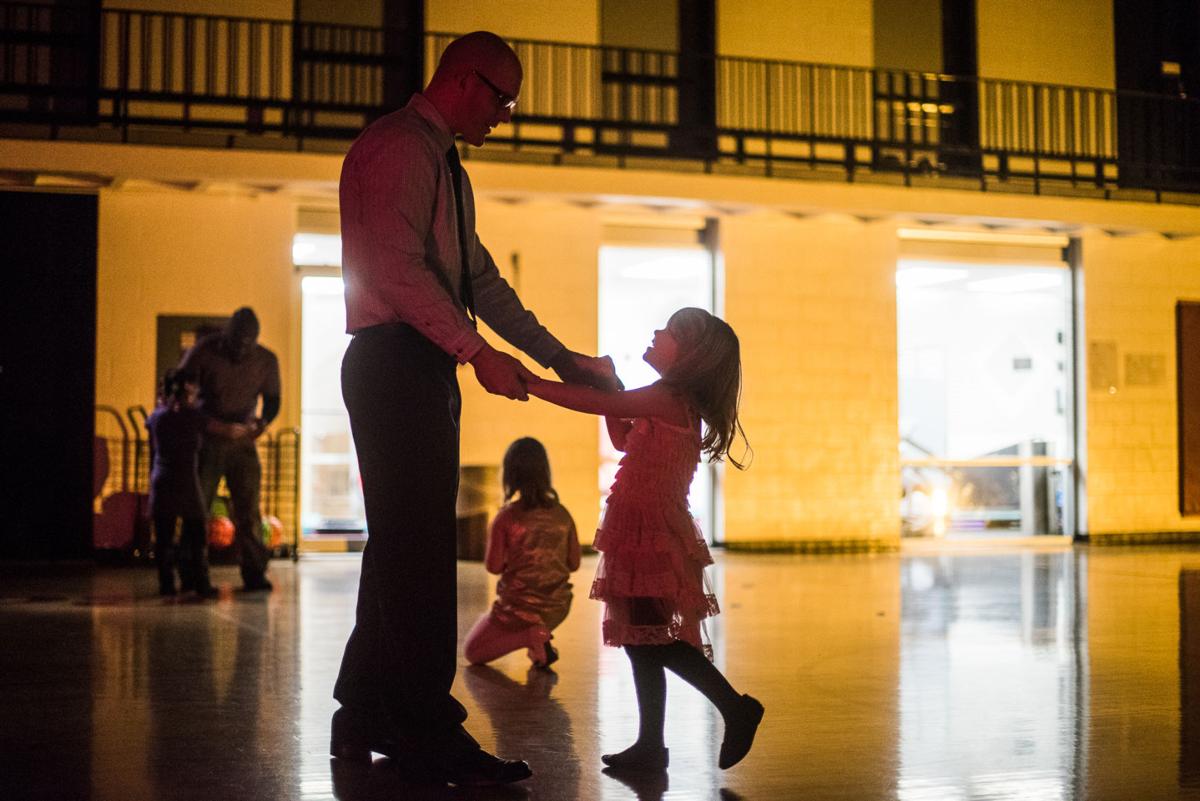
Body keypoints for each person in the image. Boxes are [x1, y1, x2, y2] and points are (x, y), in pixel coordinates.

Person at [330, 31, 609, 786]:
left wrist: (557, 356)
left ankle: (361, 711)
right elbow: (395, 266)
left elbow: (476, 277)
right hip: (397, 359)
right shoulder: (402, 149)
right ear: (463, 79)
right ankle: (425, 729)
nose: (507, 115)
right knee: (417, 554)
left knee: (398, 547)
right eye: (503, 98)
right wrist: (473, 350)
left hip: (411, 360)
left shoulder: (440, 161)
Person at [526, 307, 764, 772]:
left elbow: (597, 407)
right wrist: (610, 381)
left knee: (651, 637)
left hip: (651, 531)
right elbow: (620, 436)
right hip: (644, 527)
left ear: (689, 354)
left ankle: (735, 707)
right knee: (641, 635)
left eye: (669, 331)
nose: (656, 332)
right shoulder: (669, 402)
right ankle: (651, 744)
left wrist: (530, 384)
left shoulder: (669, 397)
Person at [178, 307, 281, 592]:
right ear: (227, 336)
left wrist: (259, 424)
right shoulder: (204, 351)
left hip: (242, 440)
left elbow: (272, 401)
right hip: (208, 438)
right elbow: (181, 392)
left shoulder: (266, 360)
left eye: (247, 345)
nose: (240, 351)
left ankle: (254, 571)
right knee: (199, 508)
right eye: (236, 344)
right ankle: (193, 573)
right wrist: (210, 425)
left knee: (249, 510)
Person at [463, 437, 581, 668]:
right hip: (557, 607)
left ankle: (530, 637)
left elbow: (493, 566)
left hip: (517, 610)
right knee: (520, 626)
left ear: (509, 474)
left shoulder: (506, 517)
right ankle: (538, 645)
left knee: (473, 652)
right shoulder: (563, 514)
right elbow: (574, 563)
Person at [146, 368, 234, 599]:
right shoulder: (194, 417)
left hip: (161, 479)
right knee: (196, 534)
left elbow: (151, 451)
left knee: (164, 537)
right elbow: (225, 430)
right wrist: (250, 429)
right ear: (188, 390)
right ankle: (201, 584)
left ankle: (166, 584)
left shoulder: (156, 417)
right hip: (187, 480)